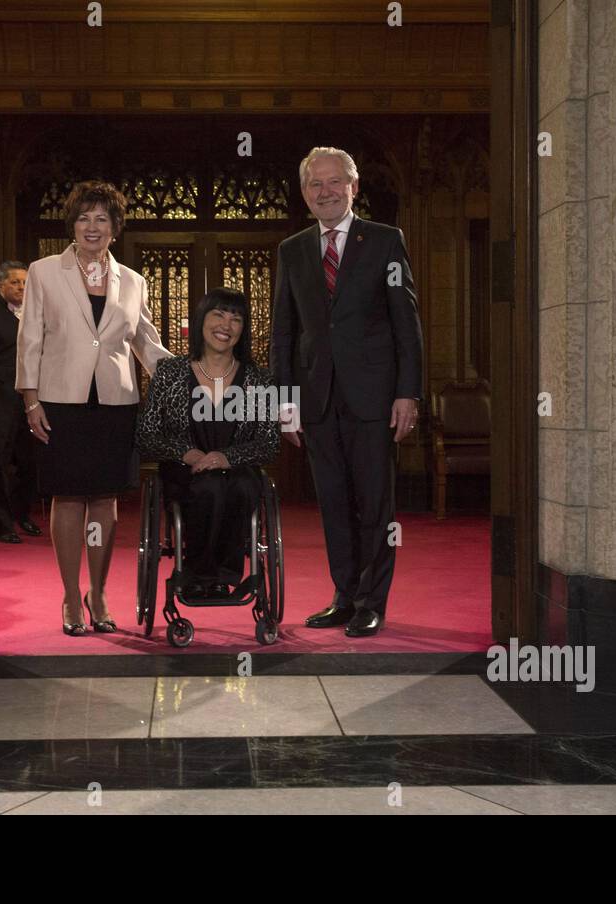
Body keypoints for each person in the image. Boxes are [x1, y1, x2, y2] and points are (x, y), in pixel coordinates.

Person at [269, 147, 424, 637]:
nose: (326, 192)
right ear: (305, 193)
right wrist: (284, 402)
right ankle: (343, 595)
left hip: (375, 398)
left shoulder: (384, 242)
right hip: (316, 399)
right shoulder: (292, 250)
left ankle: (371, 601)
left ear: (354, 188)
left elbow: (407, 323)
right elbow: (283, 334)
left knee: (374, 502)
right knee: (333, 502)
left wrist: (408, 393)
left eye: (336, 183)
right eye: (316, 184)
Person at [15, 181, 172, 636]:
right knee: (67, 498)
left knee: (105, 499)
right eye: (84, 217)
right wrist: (30, 399)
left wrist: (189, 372)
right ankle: (70, 595)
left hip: (115, 403)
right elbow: (31, 339)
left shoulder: (134, 281)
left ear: (115, 228)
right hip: (60, 401)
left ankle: (98, 593)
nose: (92, 226)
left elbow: (145, 341)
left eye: (102, 219)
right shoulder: (44, 272)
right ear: (73, 224)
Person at [137, 289, 280, 598]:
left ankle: (224, 575)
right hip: (184, 472)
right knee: (207, 488)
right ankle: (199, 574)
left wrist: (225, 457)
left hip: (238, 470)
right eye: (218, 314)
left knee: (239, 487)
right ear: (202, 320)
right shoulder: (170, 373)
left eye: (236, 319)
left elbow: (269, 443)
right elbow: (147, 436)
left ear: (243, 330)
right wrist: (185, 453)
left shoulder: (258, 379)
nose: (226, 325)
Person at [0, 261, 42, 543]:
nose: (21, 287)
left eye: (25, 283)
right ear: (1, 286)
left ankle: (23, 515)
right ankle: (3, 525)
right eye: (15, 282)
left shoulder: (38, 315)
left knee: (30, 462)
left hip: (32, 400)